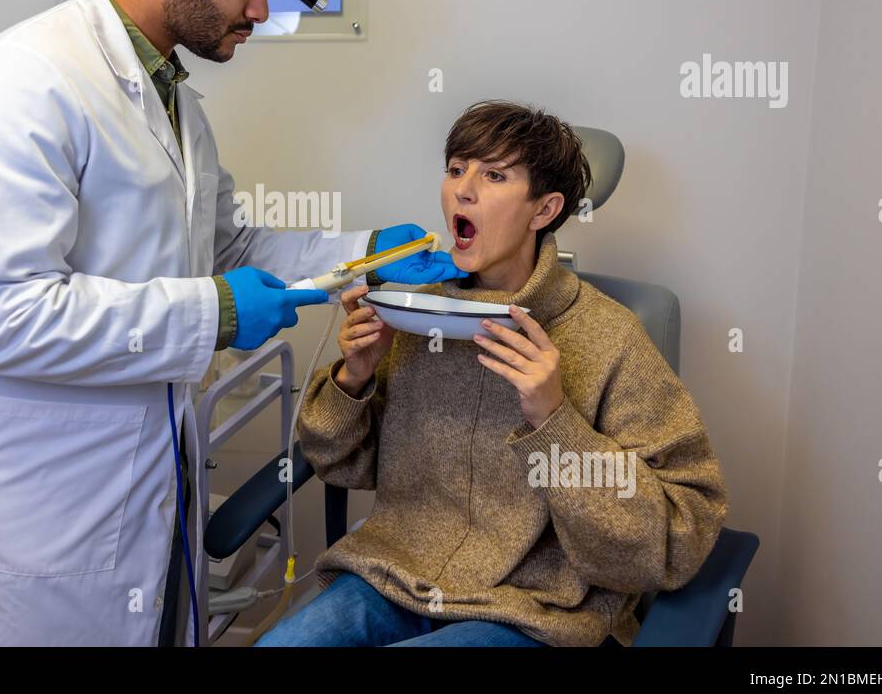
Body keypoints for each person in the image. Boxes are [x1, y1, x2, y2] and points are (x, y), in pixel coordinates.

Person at [0, 0, 463, 646]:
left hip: (143, 487)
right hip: (35, 512)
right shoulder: (22, 83)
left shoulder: (174, 101)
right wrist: (212, 313)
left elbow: (227, 250)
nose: (261, 8)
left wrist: (366, 250)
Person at [256, 100, 729, 646]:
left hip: (528, 607)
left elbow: (680, 534)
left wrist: (556, 422)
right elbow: (338, 464)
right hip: (392, 576)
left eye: (494, 175)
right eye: (456, 169)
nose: (463, 189)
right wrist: (354, 379)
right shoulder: (412, 313)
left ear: (544, 209)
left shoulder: (611, 338)